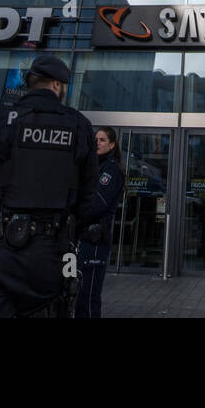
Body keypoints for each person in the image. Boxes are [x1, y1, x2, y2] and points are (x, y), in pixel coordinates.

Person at [0, 54, 99, 317]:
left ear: (31, 82)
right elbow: (88, 197)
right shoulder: (78, 125)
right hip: (48, 248)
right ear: (57, 85)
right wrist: (67, 236)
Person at [75, 126, 125, 318]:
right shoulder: (92, 167)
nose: (97, 143)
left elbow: (96, 204)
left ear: (112, 144)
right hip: (82, 237)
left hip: (94, 240)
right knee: (77, 292)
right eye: (96, 139)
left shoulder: (111, 170)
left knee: (87, 295)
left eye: (102, 140)